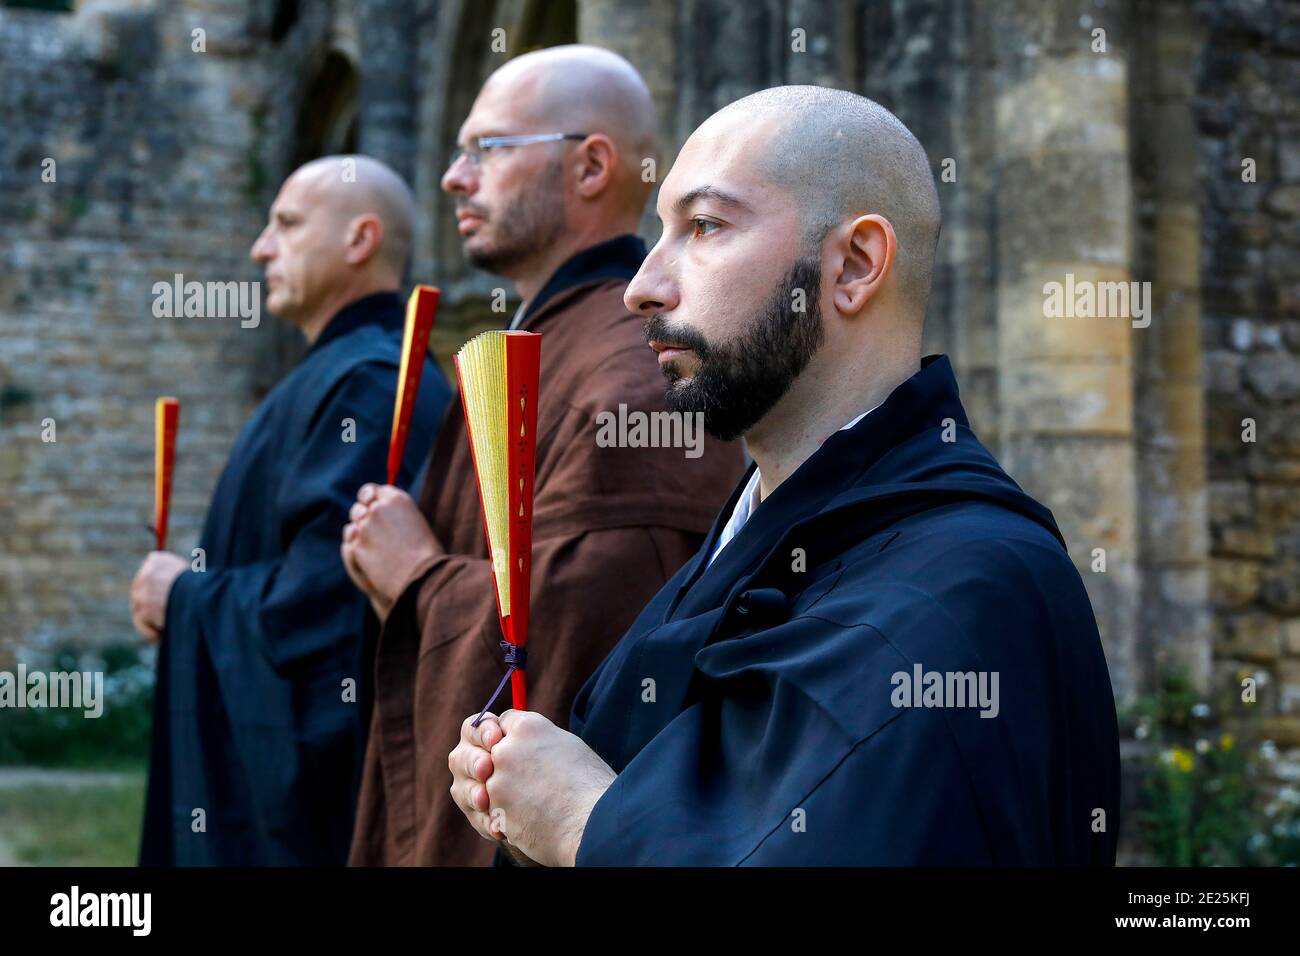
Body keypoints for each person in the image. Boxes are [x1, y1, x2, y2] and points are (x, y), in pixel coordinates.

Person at [448, 86, 1122, 866]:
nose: (643, 286)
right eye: (658, 232)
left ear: (855, 265)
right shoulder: (739, 546)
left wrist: (582, 822)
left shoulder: (972, 590)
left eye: (703, 227)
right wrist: (532, 810)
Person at [342, 45, 746, 866]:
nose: (455, 177)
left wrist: (415, 578)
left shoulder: (627, 369)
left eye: (485, 149)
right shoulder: (546, 343)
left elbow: (588, 636)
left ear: (592, 164)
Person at [132, 156, 451, 865]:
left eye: (286, 224)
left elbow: (330, 612)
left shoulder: (369, 387)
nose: (260, 247)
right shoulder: (334, 377)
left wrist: (183, 596)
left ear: (360, 239)